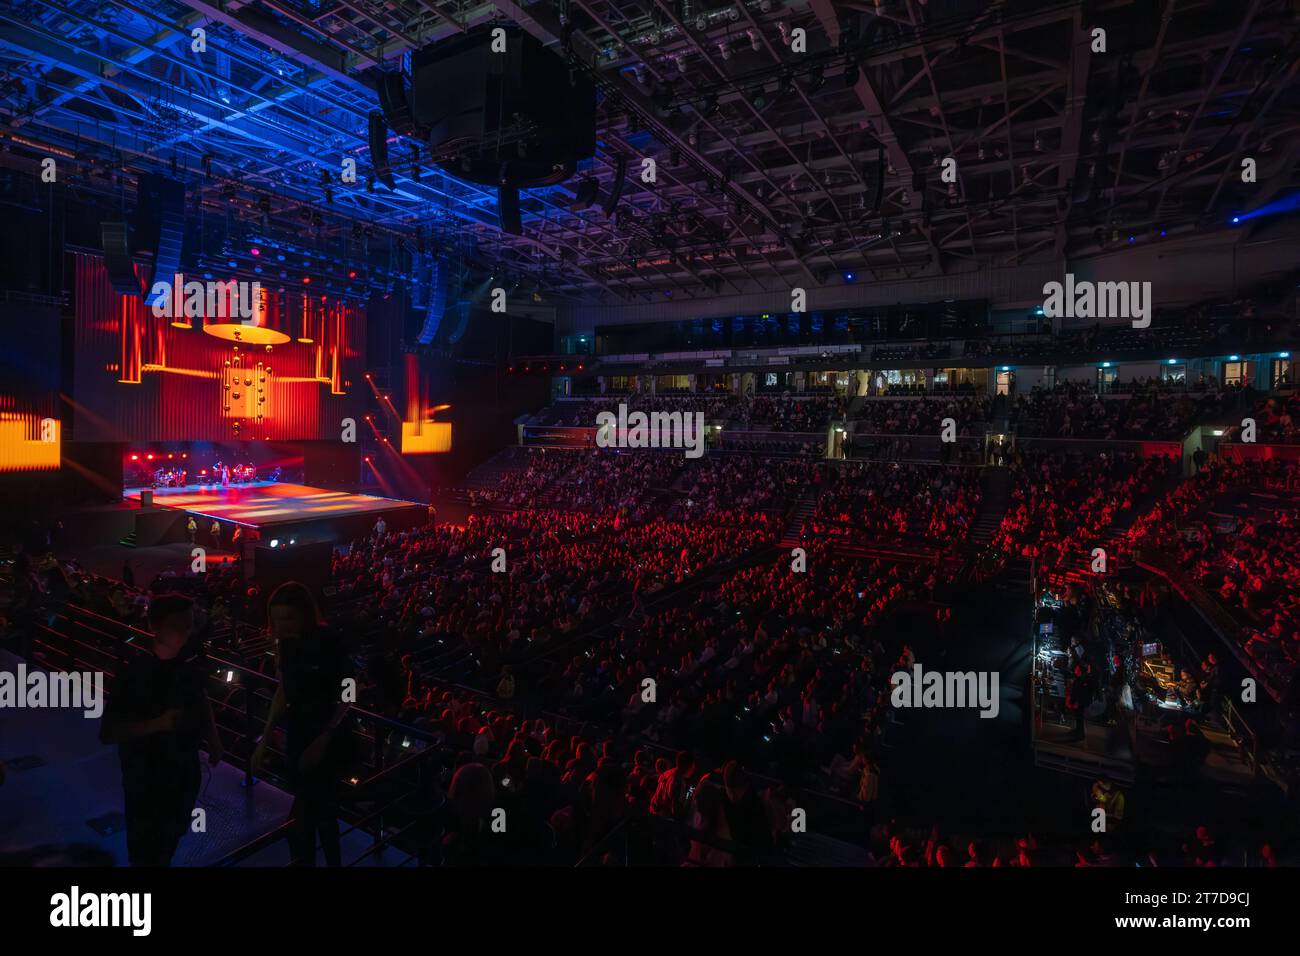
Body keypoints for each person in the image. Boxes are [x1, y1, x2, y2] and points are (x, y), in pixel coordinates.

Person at [100, 593, 222, 866]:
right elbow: (108, 733)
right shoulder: (134, 672)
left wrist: (213, 738)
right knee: (146, 847)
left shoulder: (190, 662)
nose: (186, 633)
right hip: (146, 776)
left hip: (183, 770)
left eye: (189, 626)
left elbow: (200, 697)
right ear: (154, 626)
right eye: (179, 626)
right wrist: (158, 724)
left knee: (169, 837)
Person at [252, 582, 355, 867]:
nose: (280, 626)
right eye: (276, 619)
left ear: (304, 615)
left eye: (287, 618)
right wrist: (266, 734)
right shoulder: (286, 644)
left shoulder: (328, 641)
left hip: (326, 737)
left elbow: (349, 691)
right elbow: (283, 690)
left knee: (310, 818)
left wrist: (324, 738)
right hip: (299, 735)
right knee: (317, 814)